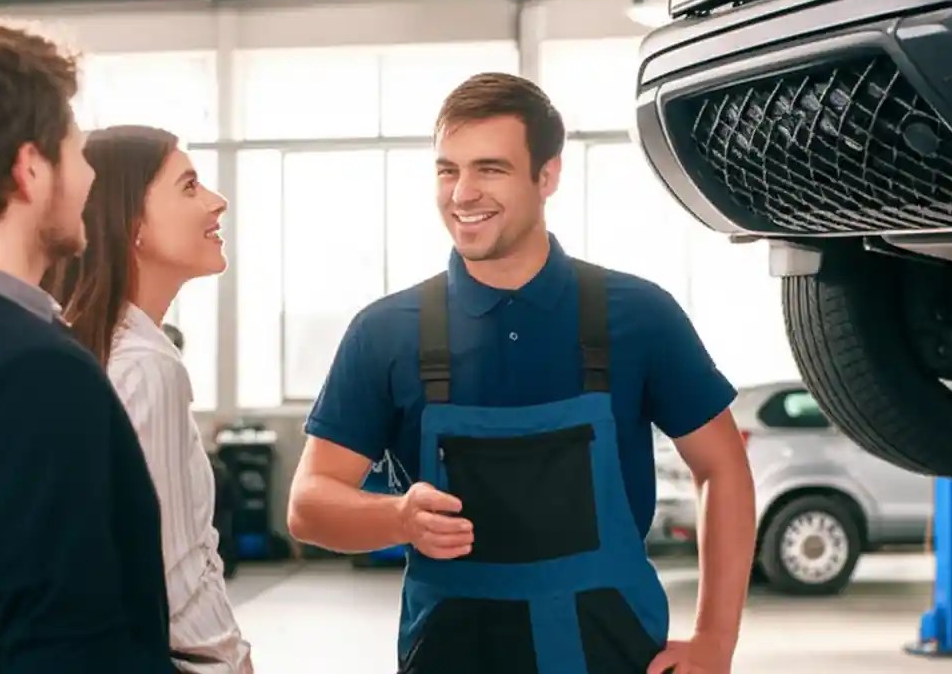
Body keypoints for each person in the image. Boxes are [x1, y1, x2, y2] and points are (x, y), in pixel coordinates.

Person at [288, 72, 757, 674]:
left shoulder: (638, 315)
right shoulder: (386, 331)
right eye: (447, 170)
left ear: (548, 176)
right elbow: (308, 504)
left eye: (490, 169)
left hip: (611, 653)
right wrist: (397, 516)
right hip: (452, 655)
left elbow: (722, 467)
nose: (462, 193)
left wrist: (716, 639)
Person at [0, 21, 176, 672]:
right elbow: (66, 640)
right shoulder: (36, 371)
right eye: (78, 152)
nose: (89, 178)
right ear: (30, 168)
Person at [44, 125, 253, 674]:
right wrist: (227, 660)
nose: (217, 201)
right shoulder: (144, 366)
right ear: (131, 223)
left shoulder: (82, 346)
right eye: (189, 186)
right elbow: (169, 568)